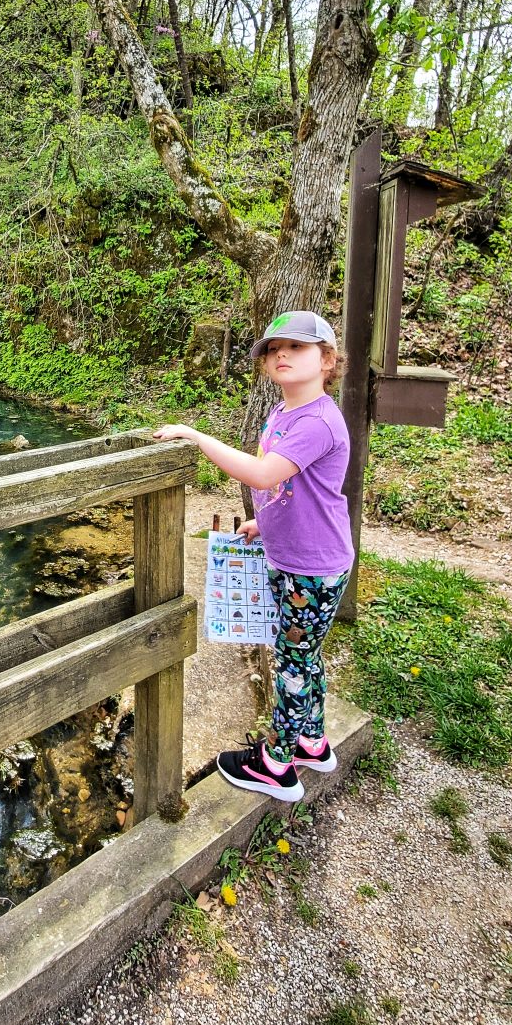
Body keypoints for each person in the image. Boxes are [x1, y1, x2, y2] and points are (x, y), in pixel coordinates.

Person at [153, 310, 353, 804]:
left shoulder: (319, 419)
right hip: (294, 555)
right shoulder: (285, 413)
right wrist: (263, 523)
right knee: (303, 656)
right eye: (272, 349)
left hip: (312, 566)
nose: (281, 354)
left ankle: (277, 764)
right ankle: (312, 741)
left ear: (328, 360)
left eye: (297, 347)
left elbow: (264, 474)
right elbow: (295, 484)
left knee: (291, 661)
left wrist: (198, 438)